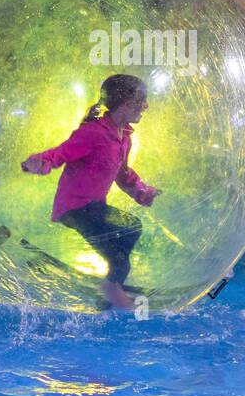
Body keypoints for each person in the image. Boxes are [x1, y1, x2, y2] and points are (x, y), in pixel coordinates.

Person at [21, 74, 161, 309]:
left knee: (132, 228)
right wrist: (38, 162)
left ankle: (112, 281)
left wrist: (142, 192)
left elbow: (122, 173)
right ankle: (112, 288)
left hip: (95, 206)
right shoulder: (93, 133)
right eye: (140, 100)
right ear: (124, 103)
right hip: (75, 208)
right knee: (120, 255)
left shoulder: (123, 136)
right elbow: (61, 153)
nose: (145, 106)